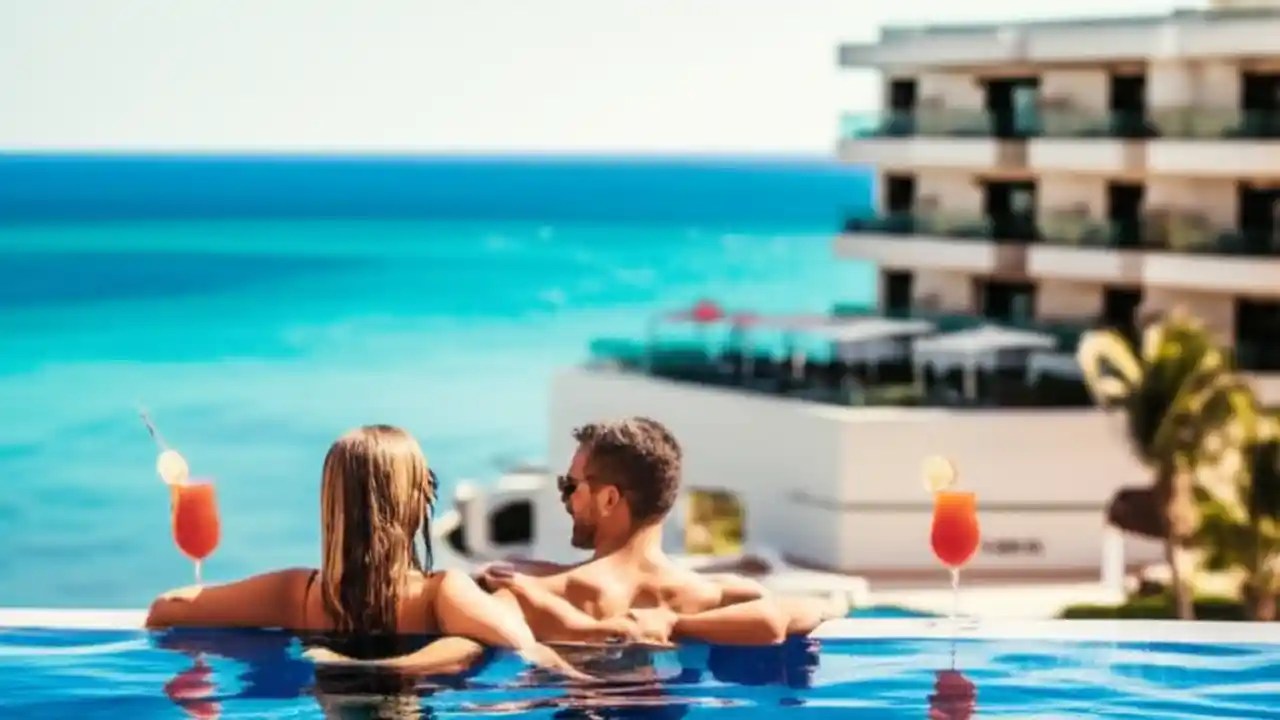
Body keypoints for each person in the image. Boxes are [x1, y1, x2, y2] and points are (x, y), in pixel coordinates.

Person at [320, 417, 839, 671]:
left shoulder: (533, 588)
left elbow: (469, 651)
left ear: (609, 498)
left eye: (571, 486)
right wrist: (676, 625)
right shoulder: (710, 595)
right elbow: (810, 609)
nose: (565, 498)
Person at [145, 424, 575, 677]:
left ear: (332, 501)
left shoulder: (297, 595)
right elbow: (532, 652)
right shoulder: (439, 595)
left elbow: (167, 608)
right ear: (415, 500)